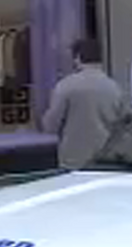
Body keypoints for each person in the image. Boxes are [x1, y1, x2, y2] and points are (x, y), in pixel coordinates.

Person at [41, 38, 125, 170]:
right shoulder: (115, 88)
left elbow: (50, 125)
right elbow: (122, 126)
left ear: (77, 58)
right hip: (105, 158)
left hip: (73, 159)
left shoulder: (65, 86)